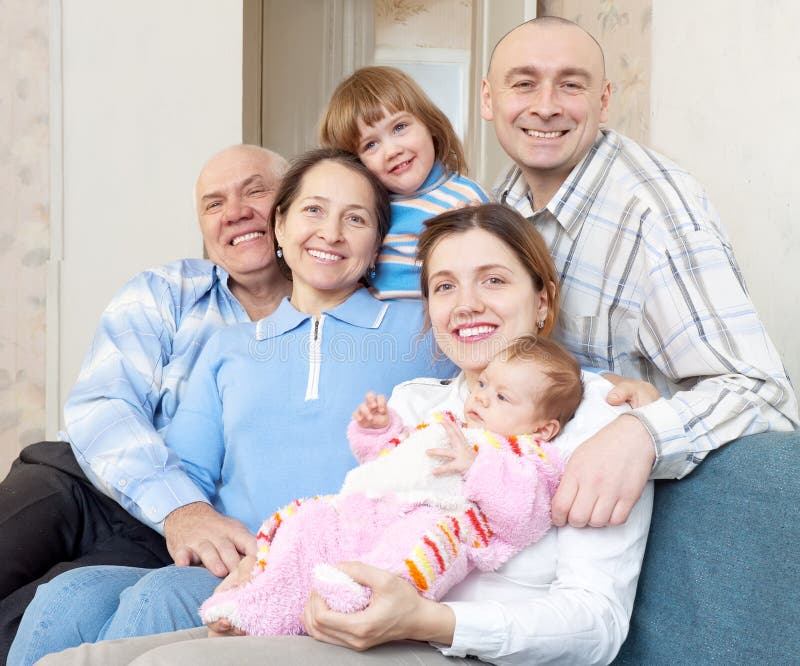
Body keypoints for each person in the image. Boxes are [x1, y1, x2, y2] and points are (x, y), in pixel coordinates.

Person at [28, 204, 656, 666]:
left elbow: (597, 626)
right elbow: (360, 510)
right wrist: (275, 567)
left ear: (543, 300)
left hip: (455, 649)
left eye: (493, 280)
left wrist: (431, 619)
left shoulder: (602, 423)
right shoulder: (418, 402)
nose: (466, 304)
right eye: (444, 285)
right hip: (341, 615)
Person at [10, 148, 456, 665]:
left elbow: (502, 376)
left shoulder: (422, 329)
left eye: (355, 219)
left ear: (376, 245)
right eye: (313, 211)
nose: (331, 232)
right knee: (68, 593)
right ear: (281, 228)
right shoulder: (229, 348)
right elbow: (191, 474)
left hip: (346, 565)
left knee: (162, 595)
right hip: (240, 562)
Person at [480, 17, 798, 528]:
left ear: (604, 100)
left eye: (570, 84)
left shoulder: (657, 213)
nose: (545, 105)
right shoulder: (504, 196)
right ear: (488, 99)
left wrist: (641, 434)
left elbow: (762, 391)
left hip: (638, 526)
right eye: (523, 83)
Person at [0, 144, 292, 660]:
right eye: (213, 203)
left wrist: (189, 518)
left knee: (35, 616)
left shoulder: (327, 331)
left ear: (295, 204)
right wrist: (181, 507)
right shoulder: (167, 289)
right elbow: (105, 403)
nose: (234, 213)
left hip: (167, 536)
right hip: (81, 481)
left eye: (256, 191)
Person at [199, 334, 583, 637]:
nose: (481, 397)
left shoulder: (525, 459)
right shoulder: (447, 422)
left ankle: (358, 594)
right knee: (308, 524)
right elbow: (398, 462)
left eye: (501, 397)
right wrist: (380, 430)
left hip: (439, 525)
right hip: (372, 510)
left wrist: (477, 466)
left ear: (542, 428)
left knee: (411, 545)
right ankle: (256, 606)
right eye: (483, 384)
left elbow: (523, 518)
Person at [320, 65, 491, 300]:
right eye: (371, 145)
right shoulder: (365, 211)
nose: (392, 151)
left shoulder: (467, 199)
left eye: (400, 127)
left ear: (429, 124)